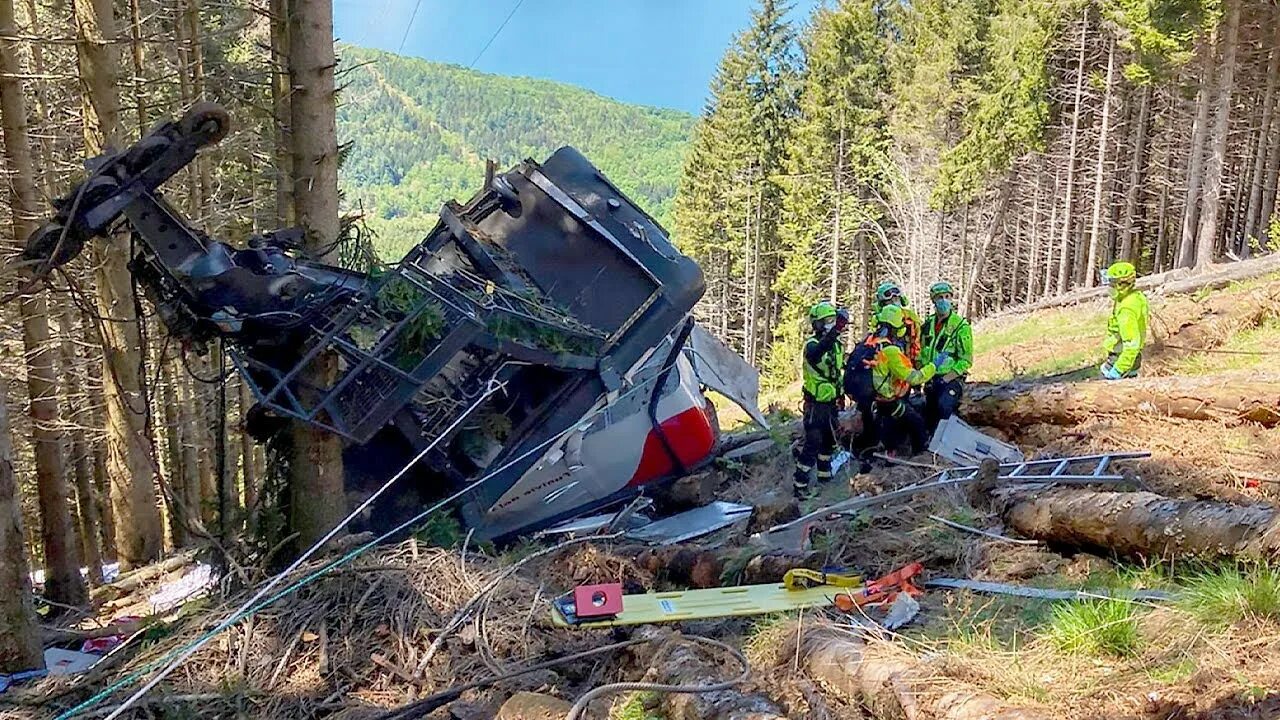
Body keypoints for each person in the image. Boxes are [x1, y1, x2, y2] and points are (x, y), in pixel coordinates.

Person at [868, 305, 942, 456]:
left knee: (892, 426)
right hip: (888, 401)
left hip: (874, 399)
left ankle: (890, 450)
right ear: (897, 327)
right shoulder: (891, 351)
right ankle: (920, 456)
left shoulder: (871, 343)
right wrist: (933, 366)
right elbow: (914, 378)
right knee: (917, 423)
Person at [794, 301, 850, 499]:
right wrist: (836, 329)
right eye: (826, 321)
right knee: (813, 443)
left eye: (832, 320)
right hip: (815, 405)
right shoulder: (812, 345)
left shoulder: (836, 345)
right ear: (817, 324)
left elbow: (837, 372)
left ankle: (824, 479)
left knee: (828, 442)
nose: (830, 324)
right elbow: (817, 355)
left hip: (831, 402)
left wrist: (842, 394)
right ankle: (800, 484)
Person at [919, 281, 973, 433]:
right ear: (933, 301)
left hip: (951, 379)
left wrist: (946, 379)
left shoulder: (960, 326)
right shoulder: (928, 325)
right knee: (928, 415)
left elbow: (966, 360)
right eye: (939, 297)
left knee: (945, 407)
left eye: (947, 296)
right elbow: (922, 352)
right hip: (930, 378)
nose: (943, 300)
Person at [1100, 261, 1149, 380]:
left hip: (1121, 358)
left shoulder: (1126, 310)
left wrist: (1118, 369)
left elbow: (1132, 344)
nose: (1109, 288)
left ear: (1121, 285)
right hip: (1132, 358)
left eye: (1111, 284)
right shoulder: (1135, 297)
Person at [873, 281, 922, 362]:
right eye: (890, 301)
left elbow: (919, 334)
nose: (894, 302)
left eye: (896, 299)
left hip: (907, 357)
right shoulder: (878, 318)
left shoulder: (909, 315)